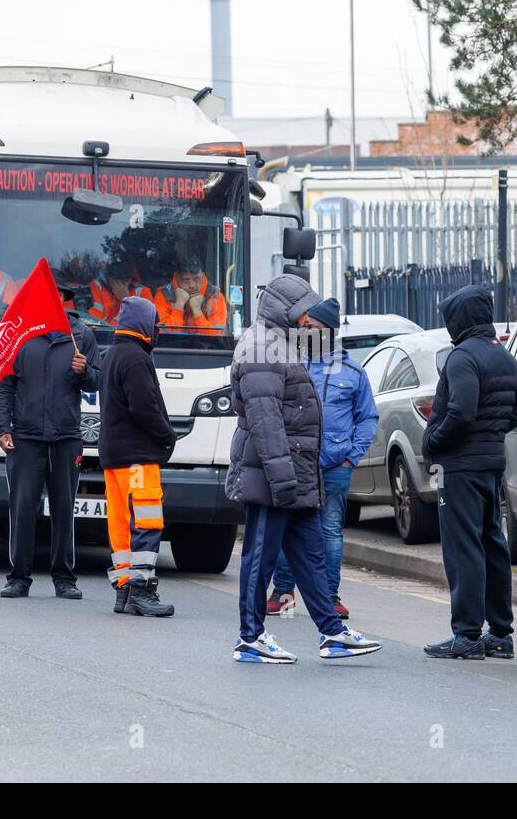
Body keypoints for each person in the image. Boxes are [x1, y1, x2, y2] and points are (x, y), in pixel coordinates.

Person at [226, 273, 381, 664]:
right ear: (286, 310)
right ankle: (250, 638)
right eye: (305, 314)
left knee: (310, 555)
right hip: (273, 476)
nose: (310, 322)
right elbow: (266, 422)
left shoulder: (280, 344)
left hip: (293, 474)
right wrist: (283, 481)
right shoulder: (262, 348)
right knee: (260, 558)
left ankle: (333, 633)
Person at [420, 284, 517, 661]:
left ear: (460, 319)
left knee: (464, 548)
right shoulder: (503, 355)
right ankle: (500, 634)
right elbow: (516, 415)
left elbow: (461, 411)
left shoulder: (462, 357)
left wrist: (434, 440)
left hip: (459, 467)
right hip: (492, 463)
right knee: (493, 544)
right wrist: (490, 435)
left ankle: (466, 634)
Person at [265, 297, 377, 620]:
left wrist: (350, 458)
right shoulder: (292, 366)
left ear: (328, 330)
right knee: (289, 528)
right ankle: (282, 592)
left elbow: (368, 418)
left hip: (334, 468)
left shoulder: (353, 372)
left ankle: (330, 595)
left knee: (330, 532)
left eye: (310, 327)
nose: (304, 332)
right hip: (298, 465)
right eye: (303, 328)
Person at [0, 276, 99, 599]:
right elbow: (4, 384)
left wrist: (85, 371)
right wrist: (2, 428)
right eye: (47, 297)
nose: (54, 303)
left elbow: (98, 380)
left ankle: (64, 578)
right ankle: (18, 578)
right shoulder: (18, 335)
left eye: (60, 298)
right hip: (24, 437)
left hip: (66, 437)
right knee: (22, 507)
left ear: (67, 301)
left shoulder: (83, 336)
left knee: (65, 509)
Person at [98, 295, 178, 617]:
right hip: (137, 458)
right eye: (155, 323)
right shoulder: (136, 359)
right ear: (144, 326)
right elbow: (144, 407)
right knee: (146, 521)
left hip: (113, 457)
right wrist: (167, 436)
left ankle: (124, 592)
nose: (157, 329)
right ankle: (142, 590)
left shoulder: (110, 356)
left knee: (120, 524)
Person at [154, 258, 228, 334]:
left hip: (204, 346)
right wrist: (179, 306)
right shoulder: (163, 295)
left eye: (196, 279)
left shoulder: (215, 297)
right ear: (177, 277)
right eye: (186, 279)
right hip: (170, 345)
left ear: (203, 275)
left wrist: (197, 311)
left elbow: (217, 337)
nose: (192, 285)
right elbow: (161, 335)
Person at [87, 260, 151, 325]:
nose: (123, 285)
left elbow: (146, 324)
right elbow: (92, 323)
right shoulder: (95, 288)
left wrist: (127, 300)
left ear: (130, 279)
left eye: (126, 281)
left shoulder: (142, 292)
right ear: (109, 278)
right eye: (118, 281)